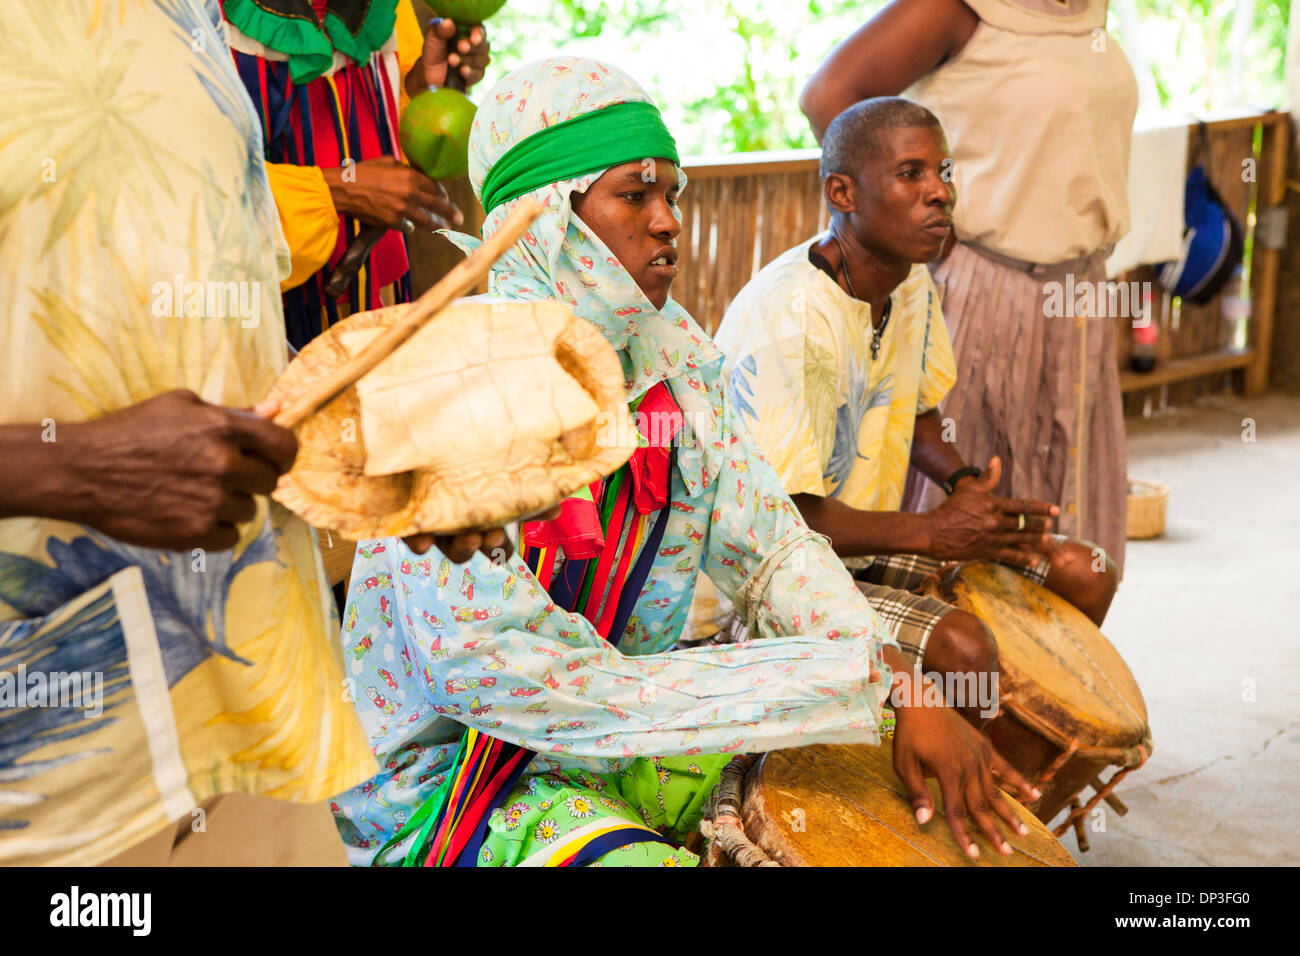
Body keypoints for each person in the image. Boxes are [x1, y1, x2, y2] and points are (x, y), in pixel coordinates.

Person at [332, 56, 1041, 869]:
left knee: (872, 787)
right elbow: (535, 688)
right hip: (460, 786)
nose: (669, 221)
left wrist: (892, 681)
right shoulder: (454, 400)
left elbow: (771, 548)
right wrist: (848, 682)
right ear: (544, 220)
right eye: (636, 195)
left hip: (628, 734)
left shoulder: (674, 364)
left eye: (673, 194)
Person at [0, 0, 494, 866]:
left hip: (261, 719)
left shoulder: (187, 24)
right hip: (48, 788)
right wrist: (61, 466)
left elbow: (216, 318)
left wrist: (359, 448)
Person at [693, 98, 1117, 702]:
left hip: (855, 555)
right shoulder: (793, 319)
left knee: (1083, 573)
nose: (939, 192)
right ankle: (959, 785)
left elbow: (915, 407)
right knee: (963, 647)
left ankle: (1008, 772)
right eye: (910, 174)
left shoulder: (907, 279)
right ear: (843, 192)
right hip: (762, 580)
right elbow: (787, 520)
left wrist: (962, 479)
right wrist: (932, 533)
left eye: (944, 172)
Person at [800, 0, 1137, 573]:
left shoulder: (1087, 11)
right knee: (964, 513)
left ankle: (1041, 661)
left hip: (1079, 292)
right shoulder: (958, 9)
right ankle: (939, 653)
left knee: (1069, 536)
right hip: (985, 285)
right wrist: (937, 235)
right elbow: (832, 94)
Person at [223, 0, 491, 347]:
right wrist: (337, 190)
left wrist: (423, 92)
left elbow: (387, 108)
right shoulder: (172, 13)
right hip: (256, 309)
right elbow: (181, 182)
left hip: (377, 290)